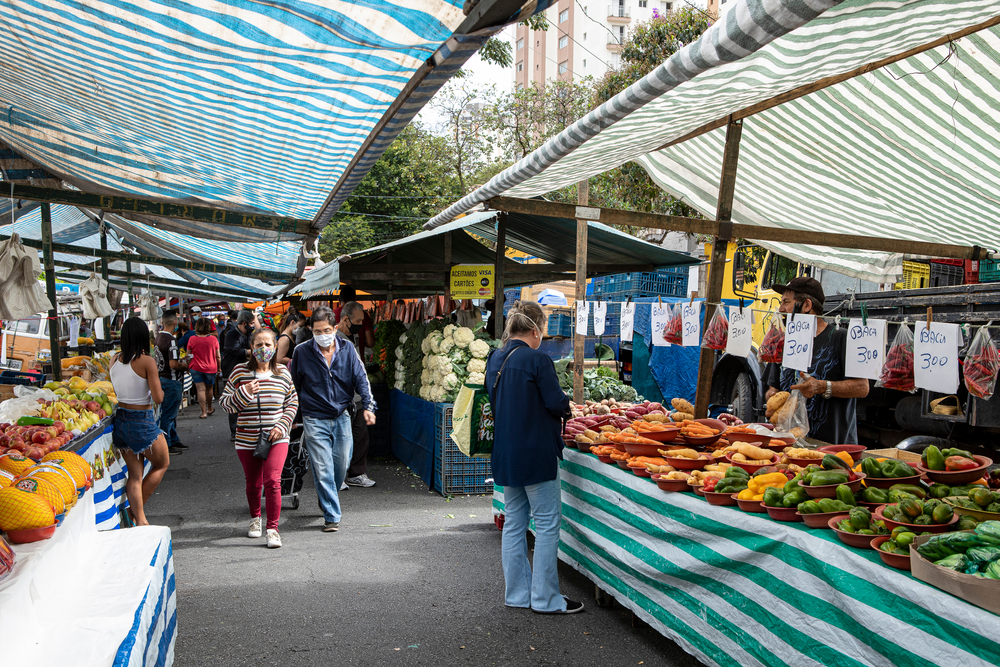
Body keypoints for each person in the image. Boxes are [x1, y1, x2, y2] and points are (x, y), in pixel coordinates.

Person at [485, 301, 581, 614]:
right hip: (536, 454)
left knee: (514, 523)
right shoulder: (537, 358)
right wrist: (567, 403)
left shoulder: (495, 358)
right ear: (535, 330)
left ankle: (517, 594)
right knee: (547, 525)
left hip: (506, 454)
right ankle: (545, 599)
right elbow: (554, 401)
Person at [290, 306, 375, 533]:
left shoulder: (347, 348)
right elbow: (294, 387)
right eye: (317, 331)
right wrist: (291, 415)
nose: (322, 335)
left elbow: (361, 378)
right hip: (314, 417)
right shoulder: (301, 352)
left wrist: (368, 406)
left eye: (326, 330)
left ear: (335, 328)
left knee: (341, 464)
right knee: (322, 466)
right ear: (311, 330)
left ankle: (327, 495)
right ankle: (331, 515)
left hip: (342, 415)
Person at [763, 277, 870, 445]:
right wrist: (772, 397)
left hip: (833, 448)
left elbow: (863, 387)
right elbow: (773, 386)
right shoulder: (785, 341)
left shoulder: (840, 337)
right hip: (789, 444)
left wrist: (822, 387)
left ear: (807, 305)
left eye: (786, 302)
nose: (781, 308)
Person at [220, 328, 299, 549]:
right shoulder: (239, 372)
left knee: (273, 481)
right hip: (246, 438)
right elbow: (225, 404)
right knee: (253, 484)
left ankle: (273, 530)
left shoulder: (283, 372)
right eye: (258, 345)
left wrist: (283, 424)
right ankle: (255, 519)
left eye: (267, 345)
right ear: (251, 348)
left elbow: (292, 402)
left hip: (276, 437)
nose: (263, 349)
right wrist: (242, 393)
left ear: (275, 347)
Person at [109, 317, 170, 526]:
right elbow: (158, 397)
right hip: (141, 421)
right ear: (143, 336)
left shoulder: (114, 359)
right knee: (162, 463)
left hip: (121, 420)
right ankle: (136, 513)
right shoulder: (146, 361)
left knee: (135, 475)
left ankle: (140, 519)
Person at [336, 301, 376, 489]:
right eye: (358, 321)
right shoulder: (334, 339)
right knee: (340, 437)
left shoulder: (353, 337)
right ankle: (337, 476)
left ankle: (356, 473)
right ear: (346, 319)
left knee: (360, 434)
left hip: (357, 396)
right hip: (340, 397)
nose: (361, 325)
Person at [154, 311, 188, 455]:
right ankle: (166, 445)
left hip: (162, 379)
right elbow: (173, 364)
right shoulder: (171, 341)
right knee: (169, 414)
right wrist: (185, 365)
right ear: (175, 322)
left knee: (170, 413)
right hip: (171, 380)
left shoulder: (158, 338)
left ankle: (173, 439)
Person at [222, 310, 257, 441]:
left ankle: (245, 428)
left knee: (246, 399)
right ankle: (234, 431)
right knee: (234, 400)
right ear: (244, 323)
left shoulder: (249, 334)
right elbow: (236, 351)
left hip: (246, 372)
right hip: (232, 372)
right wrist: (253, 351)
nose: (253, 326)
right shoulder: (232, 334)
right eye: (251, 323)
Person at [188, 317, 221, 419]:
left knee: (200, 389)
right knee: (209, 388)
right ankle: (210, 407)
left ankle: (203, 412)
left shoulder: (192, 339)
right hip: (211, 368)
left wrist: (186, 366)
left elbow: (188, 356)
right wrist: (219, 368)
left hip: (196, 367)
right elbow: (218, 356)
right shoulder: (213, 339)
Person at [333, 286, 375, 354]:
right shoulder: (363, 315)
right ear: (355, 299)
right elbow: (370, 343)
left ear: (339, 300)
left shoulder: (331, 315)